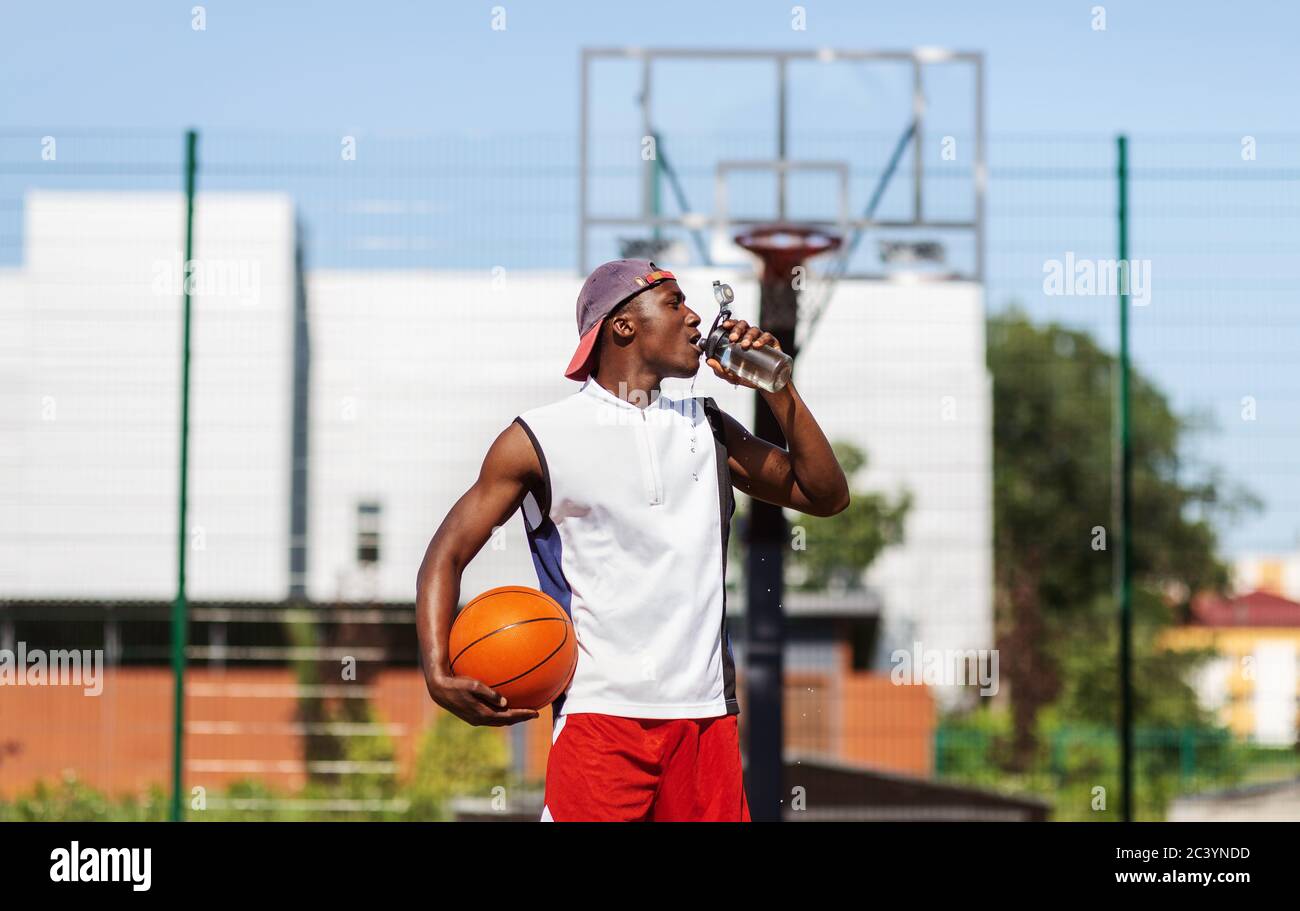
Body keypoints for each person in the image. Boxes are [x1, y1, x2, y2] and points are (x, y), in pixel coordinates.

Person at [415, 259, 849, 821]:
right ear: (624, 326)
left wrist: (779, 388)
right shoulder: (537, 439)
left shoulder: (709, 426)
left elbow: (824, 495)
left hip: (706, 719)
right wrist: (435, 669)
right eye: (674, 304)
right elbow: (445, 554)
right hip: (601, 719)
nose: (696, 319)